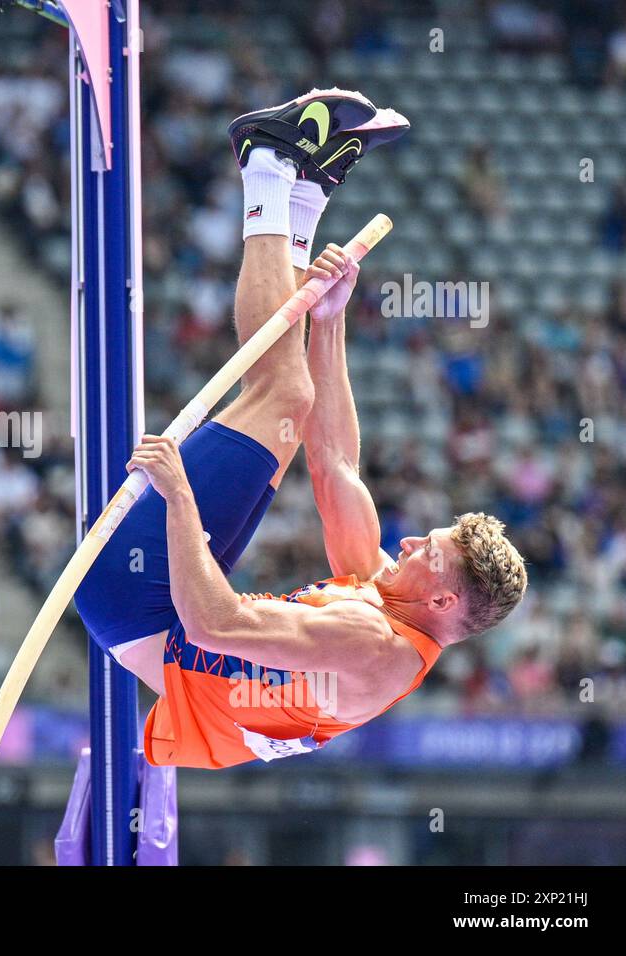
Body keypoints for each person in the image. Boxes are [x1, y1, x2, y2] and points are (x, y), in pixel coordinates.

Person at [74, 89, 528, 769]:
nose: (404, 541)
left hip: (140, 605)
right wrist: (332, 314)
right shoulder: (385, 599)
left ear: (440, 597)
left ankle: (265, 163)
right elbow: (335, 461)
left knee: (280, 390)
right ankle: (304, 191)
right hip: (178, 605)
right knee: (294, 401)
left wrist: (180, 497)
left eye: (423, 550)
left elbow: (214, 624)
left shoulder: (369, 643)